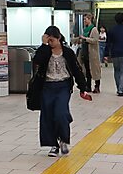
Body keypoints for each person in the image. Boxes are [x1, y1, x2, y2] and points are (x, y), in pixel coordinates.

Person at [30, 26, 92, 157]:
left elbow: (77, 70)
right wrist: (43, 45)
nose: (50, 43)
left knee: (61, 113)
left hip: (63, 86)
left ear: (58, 38)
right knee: (47, 116)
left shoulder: (67, 52)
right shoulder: (46, 51)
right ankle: (53, 145)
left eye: (52, 40)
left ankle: (63, 139)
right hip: (47, 86)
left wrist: (83, 88)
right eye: (48, 41)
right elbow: (36, 61)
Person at [76, 13, 102, 93]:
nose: (84, 21)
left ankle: (97, 86)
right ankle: (88, 86)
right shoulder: (85, 29)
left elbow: (95, 40)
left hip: (92, 53)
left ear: (89, 19)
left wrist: (85, 38)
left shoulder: (94, 29)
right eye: (84, 19)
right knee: (87, 70)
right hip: (85, 52)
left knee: (95, 70)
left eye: (85, 19)